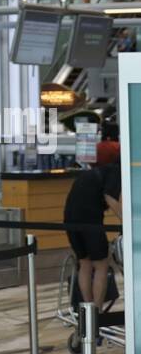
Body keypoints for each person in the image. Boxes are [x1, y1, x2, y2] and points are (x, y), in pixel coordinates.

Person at [64, 123, 122, 316]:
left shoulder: (94, 172)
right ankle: (96, 314)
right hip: (89, 219)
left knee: (85, 263)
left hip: (70, 215)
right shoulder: (115, 171)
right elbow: (110, 198)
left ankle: (87, 314)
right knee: (101, 264)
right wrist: (127, 222)